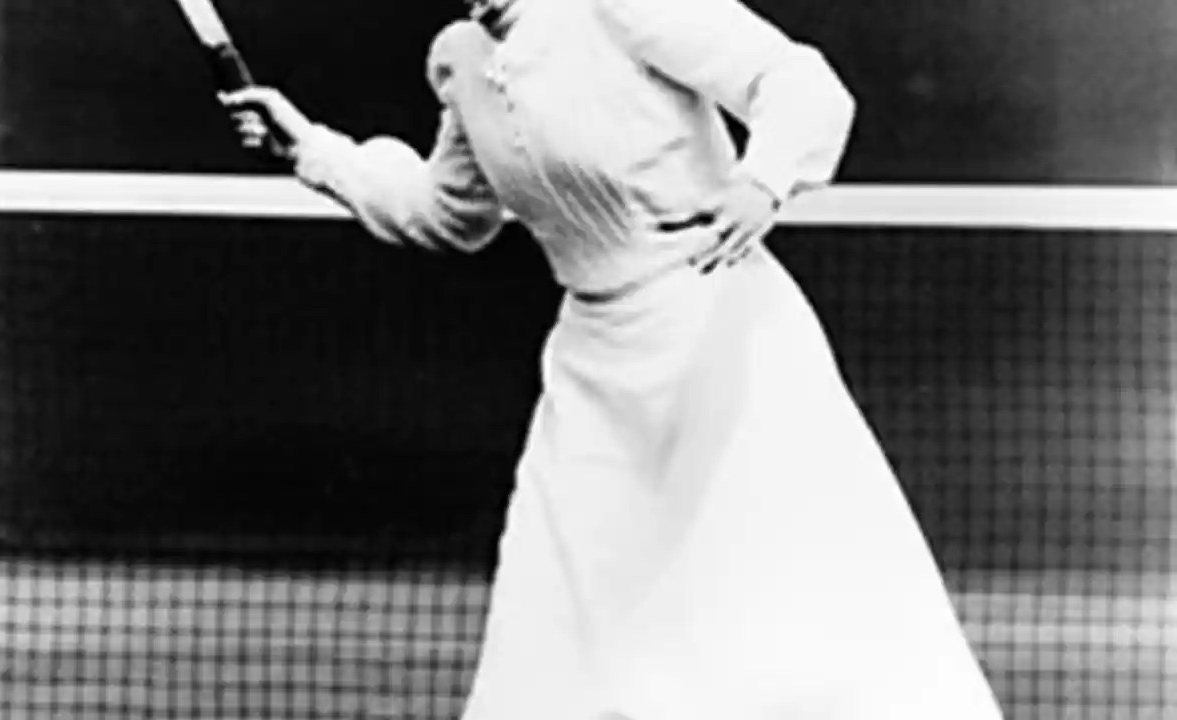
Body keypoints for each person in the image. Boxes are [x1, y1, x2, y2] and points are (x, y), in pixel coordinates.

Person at [220, 0, 1005, 717]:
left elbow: (799, 83)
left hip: (722, 339)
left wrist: (762, 183)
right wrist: (313, 152)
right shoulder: (460, 57)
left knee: (775, 623)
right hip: (593, 372)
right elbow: (450, 214)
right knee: (550, 641)